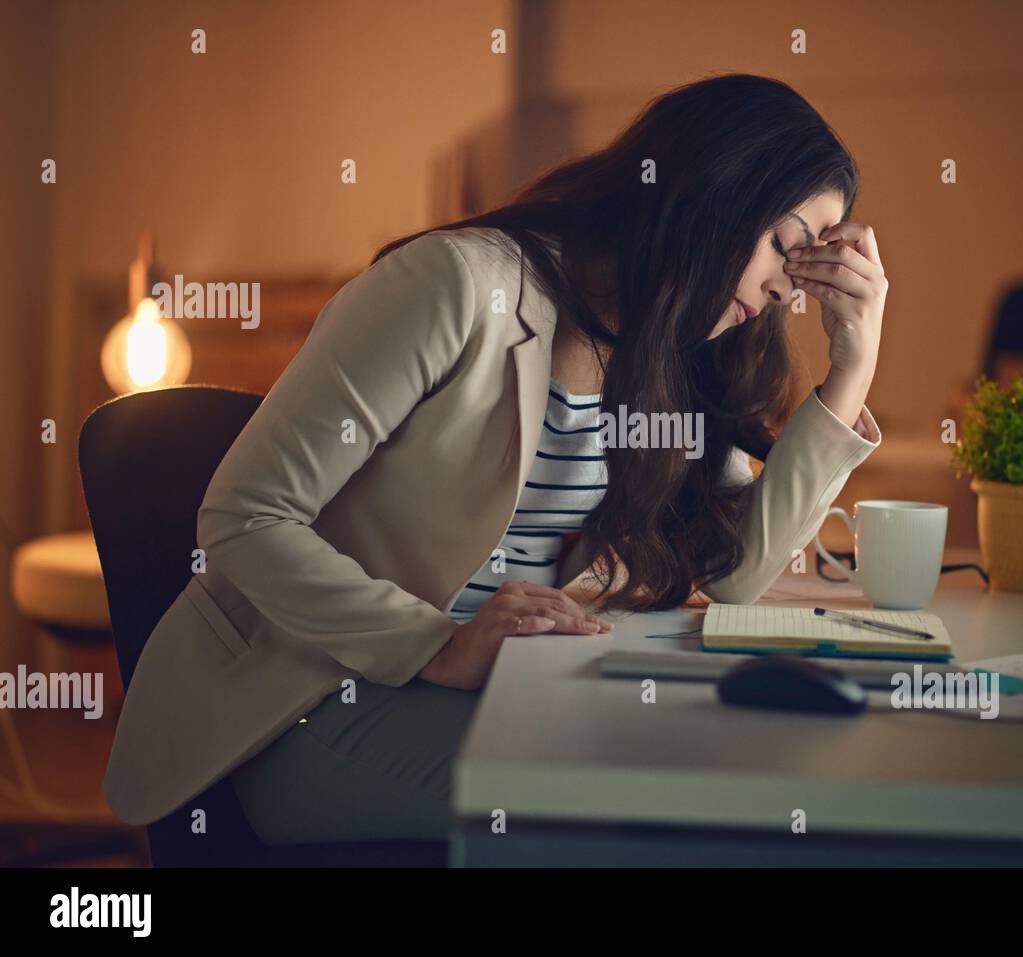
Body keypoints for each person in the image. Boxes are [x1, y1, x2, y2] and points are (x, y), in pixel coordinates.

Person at [102, 74, 887, 844]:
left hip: (513, 697)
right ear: (708, 188)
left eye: (808, 267)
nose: (791, 287)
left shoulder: (674, 350)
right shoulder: (456, 286)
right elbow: (243, 518)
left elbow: (736, 573)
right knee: (647, 807)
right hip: (316, 706)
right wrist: (439, 644)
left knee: (743, 771)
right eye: (786, 243)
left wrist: (851, 369)